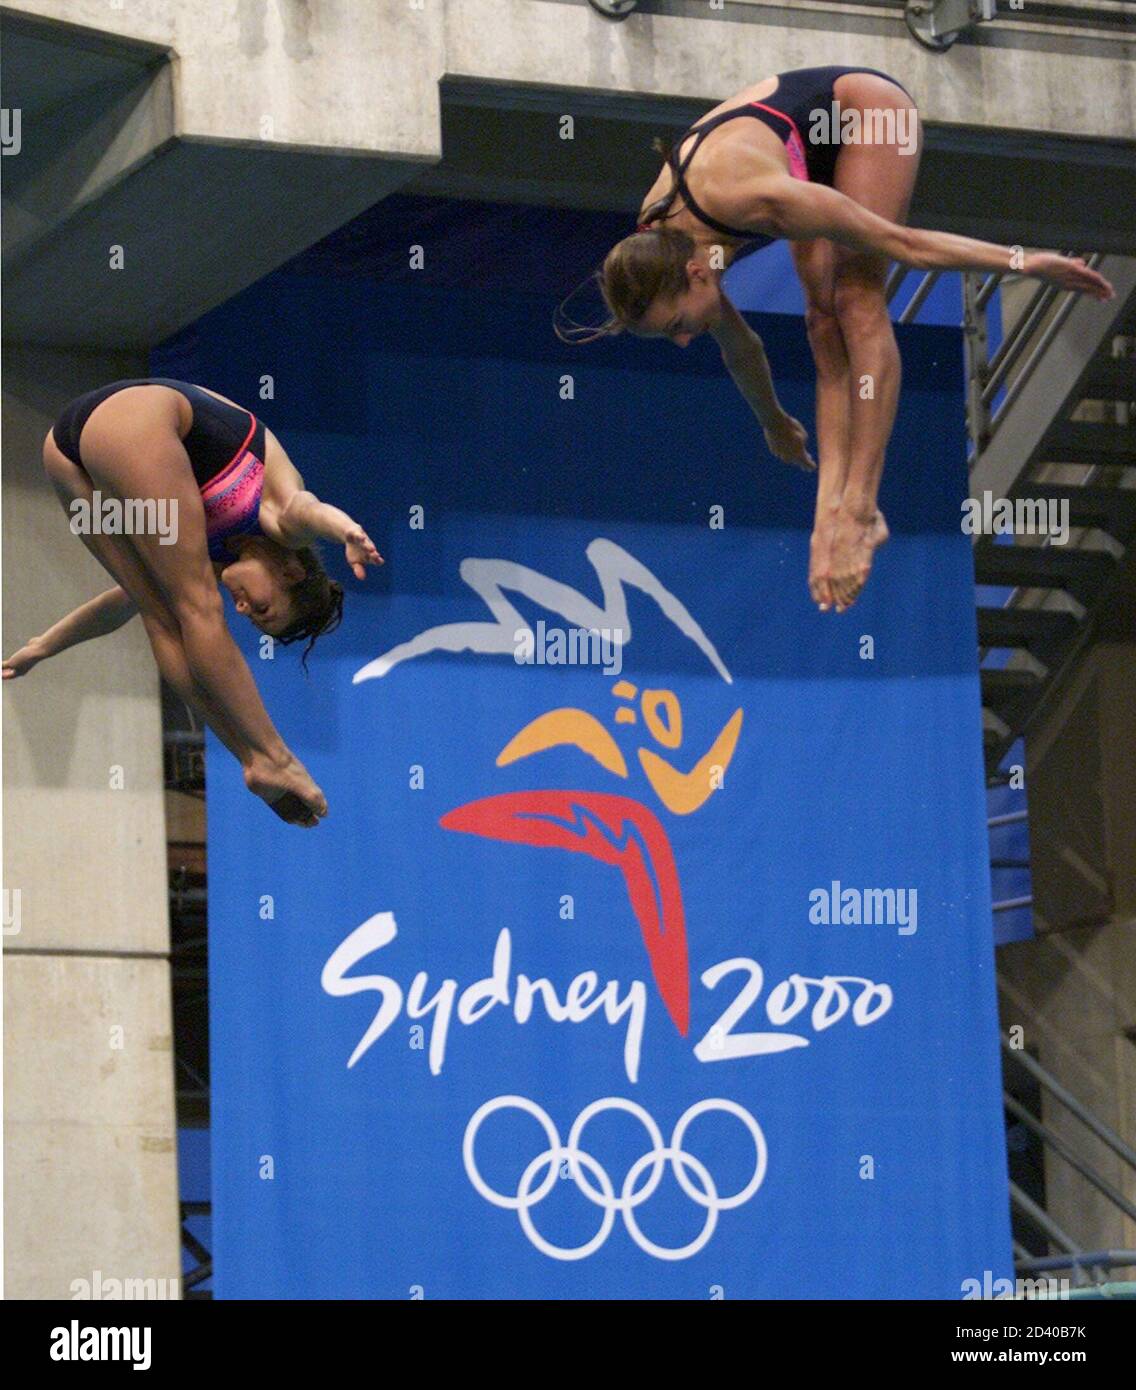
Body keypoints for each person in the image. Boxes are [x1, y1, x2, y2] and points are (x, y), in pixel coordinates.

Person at [573, 66, 1114, 612]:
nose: (687, 341)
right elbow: (743, 349)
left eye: (677, 328)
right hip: (800, 148)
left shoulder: (757, 203)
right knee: (819, 323)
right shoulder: (664, 247)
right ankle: (825, 519)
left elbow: (909, 246)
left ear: (692, 275)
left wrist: (1027, 260)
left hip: (864, 114)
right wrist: (774, 423)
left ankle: (860, 507)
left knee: (856, 297)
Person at [3, 378, 383, 826]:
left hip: (67, 457)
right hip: (133, 417)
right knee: (195, 609)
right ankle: (273, 756)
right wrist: (347, 532)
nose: (243, 609)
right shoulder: (282, 523)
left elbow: (121, 602)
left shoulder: (210, 557)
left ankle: (252, 758)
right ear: (292, 572)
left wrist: (44, 645)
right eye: (262, 609)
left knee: (159, 612)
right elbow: (310, 508)